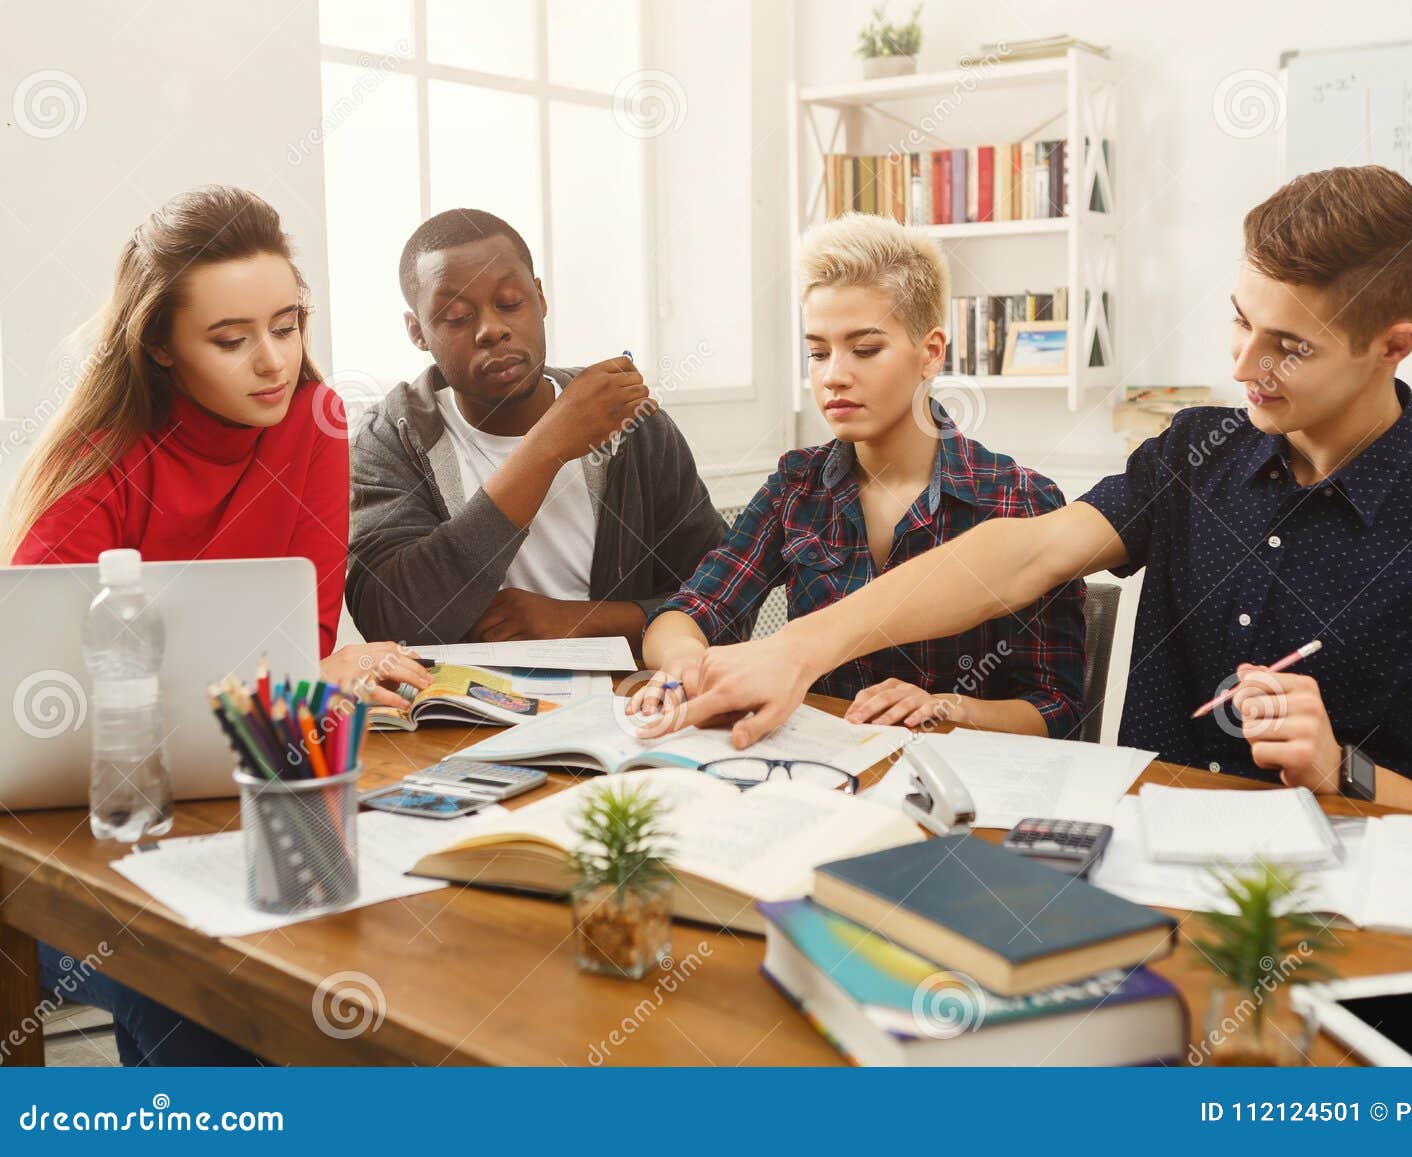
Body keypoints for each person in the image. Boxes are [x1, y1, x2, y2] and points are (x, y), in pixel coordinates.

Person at [645, 167, 1412, 833]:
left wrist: (1347, 770)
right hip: (1130, 868)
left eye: (1287, 347)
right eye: (1240, 320)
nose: (1241, 368)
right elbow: (1022, 552)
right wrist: (802, 648)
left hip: (1340, 912)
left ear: (1394, 345)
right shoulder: (1198, 451)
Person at [5, 185, 430, 1064]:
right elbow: (33, 695)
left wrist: (327, 665)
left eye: (289, 324)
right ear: (159, 343)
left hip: (260, 794)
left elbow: (297, 644)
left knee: (385, 966)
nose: (274, 361)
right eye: (232, 340)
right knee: (211, 1010)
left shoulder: (316, 423)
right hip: (95, 833)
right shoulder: (101, 464)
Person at [630, 214, 1084, 737]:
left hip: (963, 786)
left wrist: (947, 708)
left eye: (865, 350)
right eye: (818, 352)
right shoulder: (795, 487)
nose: (834, 375)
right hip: (819, 769)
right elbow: (688, 611)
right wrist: (685, 661)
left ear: (931, 352)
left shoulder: (1019, 500)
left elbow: (1060, 708)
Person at [345, 209, 728, 651]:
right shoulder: (391, 437)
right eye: (456, 317)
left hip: (623, 708)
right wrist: (546, 447)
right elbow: (391, 622)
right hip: (461, 716)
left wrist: (577, 622)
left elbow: (726, 605)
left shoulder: (631, 425)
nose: (492, 329)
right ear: (418, 331)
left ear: (540, 298)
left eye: (510, 303)